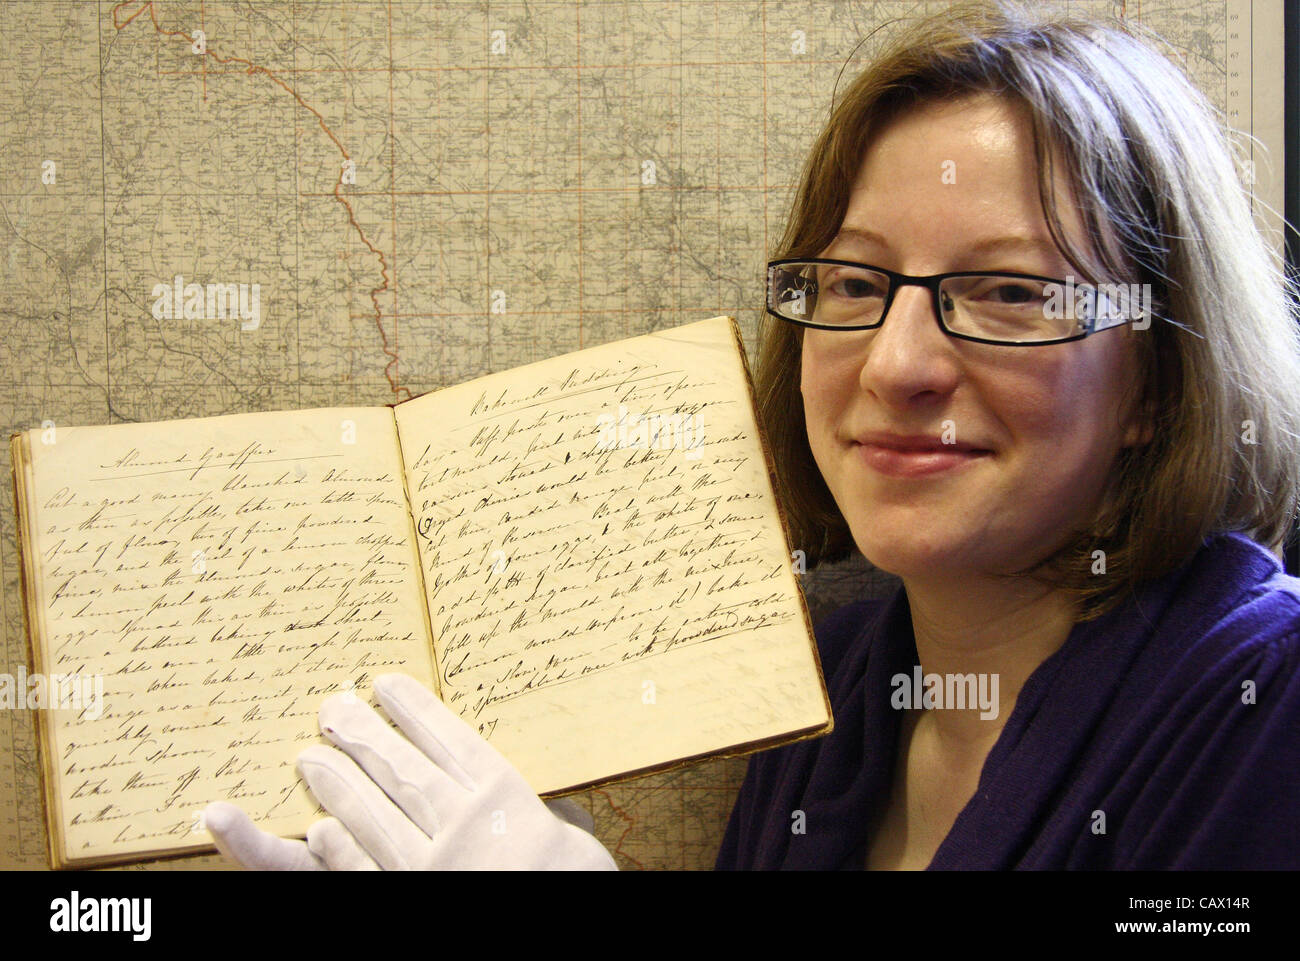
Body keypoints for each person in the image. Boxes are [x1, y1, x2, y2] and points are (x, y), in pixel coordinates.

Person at [204, 1, 1300, 870]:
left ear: (1155, 376)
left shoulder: (1269, 700)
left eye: (1008, 291)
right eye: (855, 280)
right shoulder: (826, 689)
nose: (895, 363)